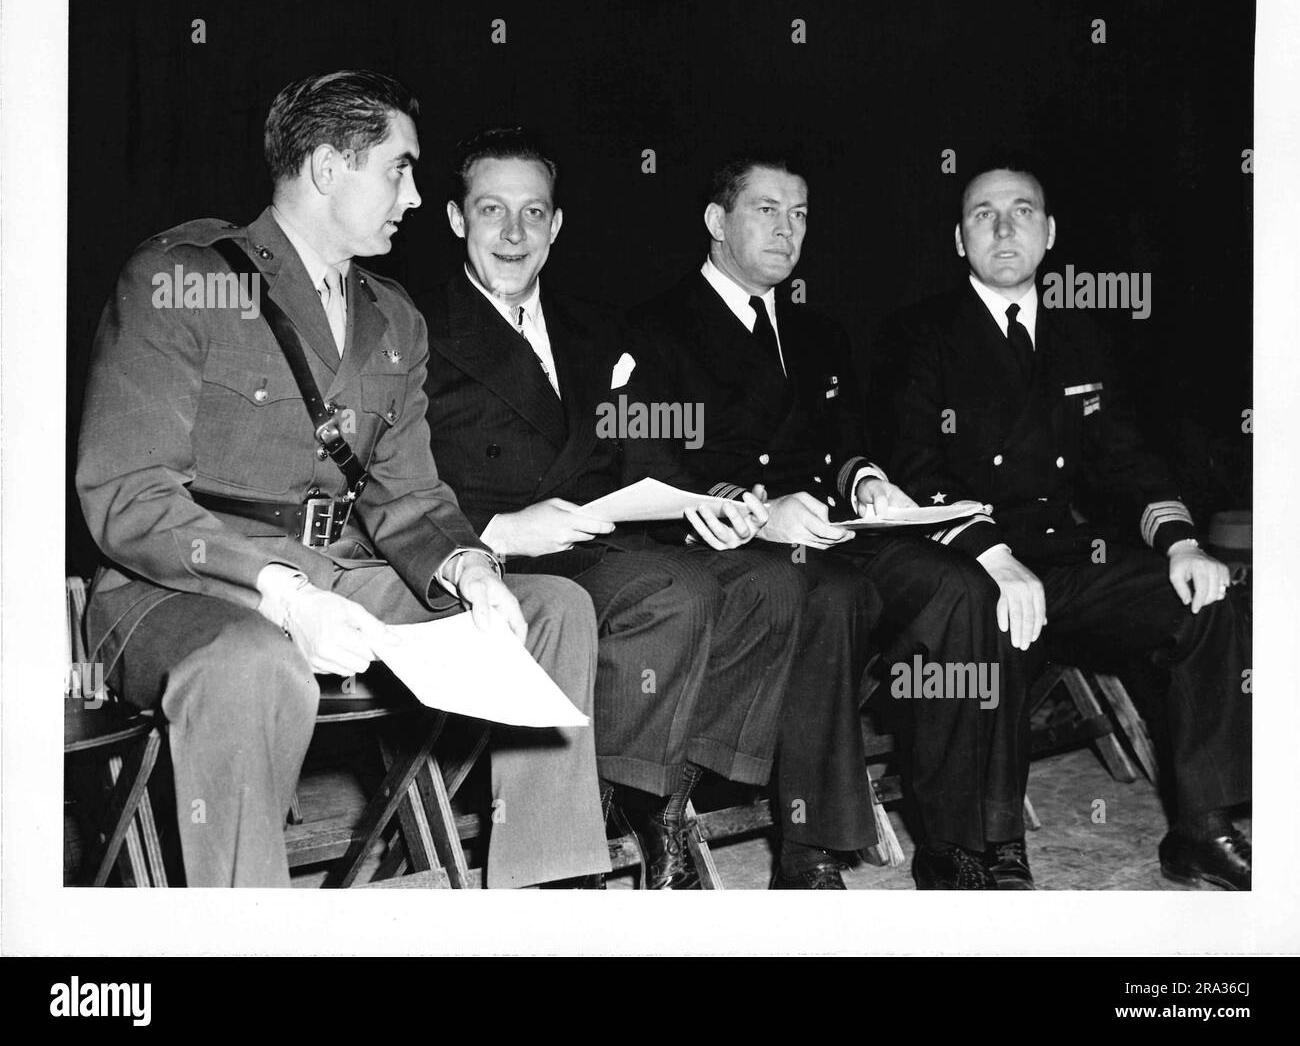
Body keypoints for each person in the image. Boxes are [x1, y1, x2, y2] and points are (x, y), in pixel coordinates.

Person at [76, 71, 609, 889]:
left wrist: (470, 567)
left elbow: (412, 498)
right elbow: (127, 495)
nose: (419, 196)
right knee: (253, 665)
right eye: (400, 169)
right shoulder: (182, 277)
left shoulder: (394, 316)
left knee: (550, 611)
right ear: (328, 167)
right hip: (180, 590)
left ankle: (547, 896)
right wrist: (284, 595)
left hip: (344, 577)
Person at [415, 127, 879, 888]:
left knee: (773, 585)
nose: (513, 233)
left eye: (534, 213)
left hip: (593, 540)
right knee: (680, 592)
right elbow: (397, 478)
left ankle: (653, 785)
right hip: (485, 552)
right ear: (457, 219)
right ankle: (644, 799)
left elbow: (639, 449)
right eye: (491, 210)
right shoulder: (418, 327)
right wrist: (492, 530)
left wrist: (707, 501)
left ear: (557, 226)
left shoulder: (595, 326)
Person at [627, 155, 1024, 889]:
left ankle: (961, 842)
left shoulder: (820, 333)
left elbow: (845, 445)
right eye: (766, 210)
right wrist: (759, 512)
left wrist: (866, 480)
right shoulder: (655, 327)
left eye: (800, 214)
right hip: (731, 542)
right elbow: (647, 461)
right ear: (717, 223)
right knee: (827, 597)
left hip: (835, 535)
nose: (788, 229)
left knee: (960, 588)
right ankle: (810, 852)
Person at [883, 160, 1251, 889]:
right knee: (982, 619)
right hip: (968, 557)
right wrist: (994, 556)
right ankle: (986, 843)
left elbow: (1125, 458)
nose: (1003, 226)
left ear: (1050, 233)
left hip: (1066, 558)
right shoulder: (918, 333)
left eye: (1022, 210)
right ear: (959, 240)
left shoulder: (1082, 335)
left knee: (1205, 597)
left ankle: (1203, 825)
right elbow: (914, 473)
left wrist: (1181, 542)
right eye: (983, 214)